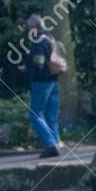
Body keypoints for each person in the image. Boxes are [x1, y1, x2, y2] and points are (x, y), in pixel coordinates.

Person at [22, 14, 62, 158]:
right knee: (51, 114)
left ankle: (51, 145)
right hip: (54, 80)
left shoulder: (38, 41)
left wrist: (28, 69)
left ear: (33, 27)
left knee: (35, 114)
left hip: (42, 82)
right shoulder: (50, 38)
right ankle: (57, 142)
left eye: (28, 26)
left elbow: (38, 63)